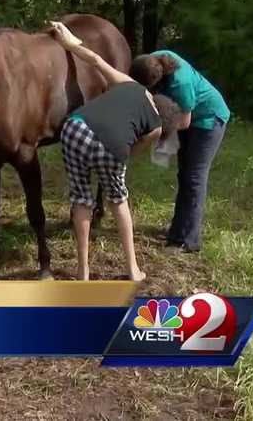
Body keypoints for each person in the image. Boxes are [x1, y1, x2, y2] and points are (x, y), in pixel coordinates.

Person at [50, 22, 184, 281]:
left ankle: (83, 272)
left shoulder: (131, 84)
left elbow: (97, 60)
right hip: (110, 146)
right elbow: (130, 152)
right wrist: (112, 170)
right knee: (118, 200)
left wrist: (69, 41)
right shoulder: (156, 128)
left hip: (74, 128)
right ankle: (133, 269)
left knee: (81, 199)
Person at [130, 50, 230, 253]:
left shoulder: (180, 84)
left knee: (194, 178)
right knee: (184, 175)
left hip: (208, 120)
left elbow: (184, 122)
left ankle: (186, 241)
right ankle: (179, 229)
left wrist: (154, 132)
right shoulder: (155, 58)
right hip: (187, 118)